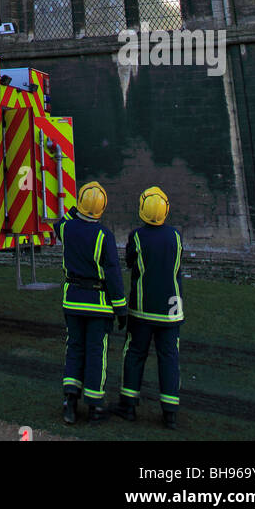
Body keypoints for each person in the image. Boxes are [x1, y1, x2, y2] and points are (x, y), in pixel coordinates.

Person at [56, 180, 127, 424]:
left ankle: (69, 400)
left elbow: (62, 221)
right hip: (98, 304)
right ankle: (95, 406)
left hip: (72, 300)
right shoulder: (104, 236)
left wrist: (75, 208)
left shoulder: (66, 229)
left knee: (74, 348)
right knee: (96, 353)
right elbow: (113, 274)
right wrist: (121, 308)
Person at [115, 186, 183, 429]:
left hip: (142, 309)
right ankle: (170, 413)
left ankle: (128, 406)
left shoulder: (137, 236)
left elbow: (130, 261)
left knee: (134, 354)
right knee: (169, 358)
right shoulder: (176, 236)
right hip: (171, 309)